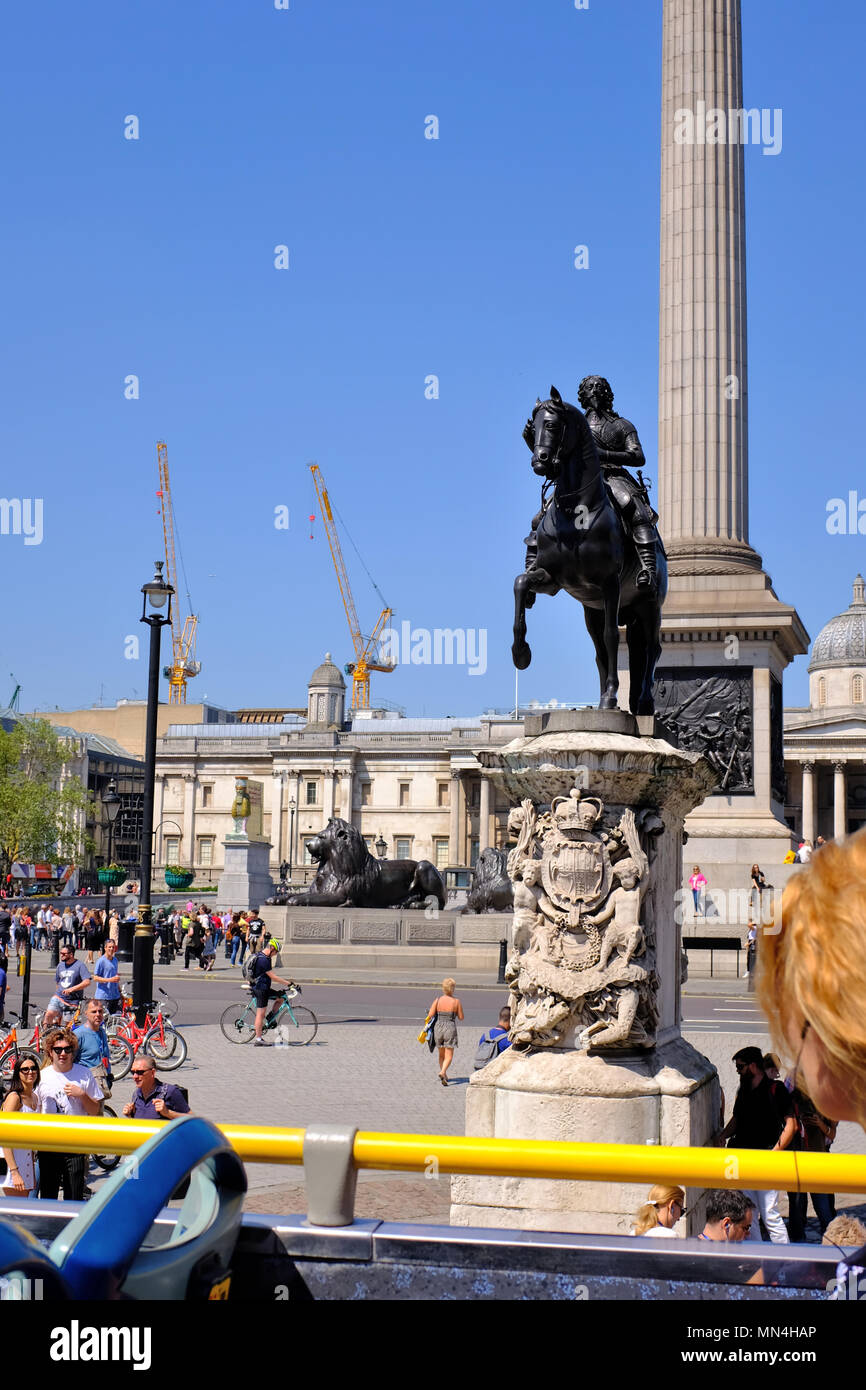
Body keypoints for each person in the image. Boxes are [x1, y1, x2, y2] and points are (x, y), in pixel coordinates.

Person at [717, 1045, 796, 1243]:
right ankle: (757, 1259)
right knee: (748, 1214)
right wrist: (723, 1135)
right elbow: (737, 1119)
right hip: (743, 1158)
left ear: (753, 1066)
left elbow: (791, 1125)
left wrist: (775, 1152)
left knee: (770, 1215)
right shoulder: (743, 1090)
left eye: (740, 1067)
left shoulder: (776, 1089)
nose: (738, 1071)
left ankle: (783, 1262)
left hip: (766, 1157)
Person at [37, 1026, 102, 1200]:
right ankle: (48, 1228)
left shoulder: (84, 1074)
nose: (63, 1053)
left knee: (73, 1196)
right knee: (48, 1195)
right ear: (50, 1052)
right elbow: (34, 1110)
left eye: (67, 1049)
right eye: (58, 1049)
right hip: (48, 1144)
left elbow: (95, 1110)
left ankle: (71, 1227)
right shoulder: (42, 1077)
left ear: (73, 1051)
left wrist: (82, 1095)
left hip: (75, 1143)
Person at [1, 1056, 42, 1196]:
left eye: (33, 1068)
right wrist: (14, 1171)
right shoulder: (14, 1098)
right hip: (10, 1162)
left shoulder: (35, 1097)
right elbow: (4, 1136)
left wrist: (30, 1172)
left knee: (22, 1209)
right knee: (15, 1213)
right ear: (18, 1073)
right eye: (25, 1069)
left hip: (26, 1160)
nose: (30, 1072)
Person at [248, 939, 297, 1046]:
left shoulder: (265, 957)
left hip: (264, 987)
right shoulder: (263, 960)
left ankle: (271, 1017)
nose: (276, 954)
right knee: (260, 1014)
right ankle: (258, 1039)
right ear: (272, 948)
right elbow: (273, 977)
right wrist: (289, 983)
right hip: (260, 989)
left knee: (281, 998)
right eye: (276, 952)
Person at [122, 1055, 190, 1120]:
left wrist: (168, 1113)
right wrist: (130, 1115)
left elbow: (192, 1119)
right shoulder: (136, 1094)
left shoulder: (170, 1092)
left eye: (140, 1072)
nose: (135, 1076)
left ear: (152, 1072)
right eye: (132, 1072)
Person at [72, 999, 112, 1104]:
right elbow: (69, 1062)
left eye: (100, 1011)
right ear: (86, 1014)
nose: (98, 1014)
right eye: (94, 1012)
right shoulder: (78, 1035)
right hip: (85, 1087)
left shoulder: (102, 1032)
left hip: (101, 1084)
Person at [427, 978, 464, 1086]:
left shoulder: (437, 1000)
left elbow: (430, 1015)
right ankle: (443, 1072)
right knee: (449, 1055)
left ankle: (444, 1074)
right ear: (452, 989)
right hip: (450, 1028)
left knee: (441, 1054)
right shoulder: (456, 1002)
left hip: (438, 1027)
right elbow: (461, 1017)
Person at [50, 944, 91, 1018]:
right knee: (49, 1016)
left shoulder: (80, 965)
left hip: (72, 1001)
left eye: (63, 954)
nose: (61, 955)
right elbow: (58, 982)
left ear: (71, 954)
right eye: (60, 953)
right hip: (59, 997)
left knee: (68, 1026)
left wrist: (71, 989)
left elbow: (87, 982)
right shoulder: (60, 965)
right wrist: (58, 993)